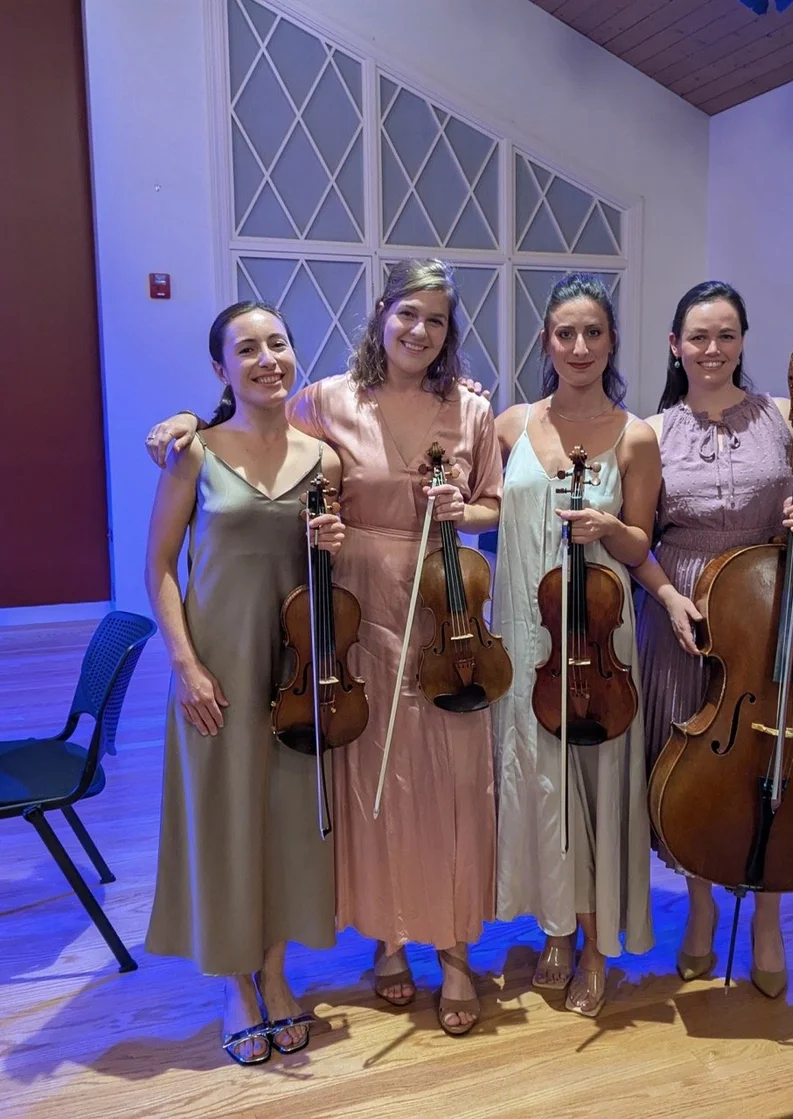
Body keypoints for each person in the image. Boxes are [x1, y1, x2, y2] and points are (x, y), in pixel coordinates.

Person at [145, 259, 502, 1036]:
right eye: (407, 313)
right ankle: (368, 945)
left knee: (434, 783)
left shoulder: (458, 411)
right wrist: (182, 418)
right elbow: (243, 423)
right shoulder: (324, 403)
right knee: (350, 785)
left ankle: (443, 949)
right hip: (326, 622)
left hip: (415, 615)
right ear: (381, 314)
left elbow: (489, 505)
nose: (419, 330)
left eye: (436, 319)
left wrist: (456, 509)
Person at [144, 301, 344, 1065]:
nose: (268, 359)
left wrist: (333, 542)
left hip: (295, 665)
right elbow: (160, 565)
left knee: (289, 818)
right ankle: (234, 982)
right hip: (217, 664)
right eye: (248, 348)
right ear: (221, 368)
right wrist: (185, 665)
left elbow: (323, 573)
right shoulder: (192, 451)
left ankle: (276, 970)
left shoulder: (324, 461)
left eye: (278, 344)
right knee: (225, 817)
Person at [632, 280, 793, 999]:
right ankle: (701, 903)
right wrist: (669, 599)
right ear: (675, 345)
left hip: (770, 602)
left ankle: (768, 918)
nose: (712, 349)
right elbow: (638, 538)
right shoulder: (652, 431)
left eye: (726, 335)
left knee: (769, 759)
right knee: (692, 760)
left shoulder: (785, 416)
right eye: (698, 336)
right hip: (685, 607)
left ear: (743, 340)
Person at [491, 273, 661, 1017]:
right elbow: (484, 508)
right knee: (539, 780)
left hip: (596, 634)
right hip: (528, 632)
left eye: (594, 332)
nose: (580, 346)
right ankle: (555, 928)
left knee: (595, 779)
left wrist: (610, 528)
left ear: (612, 341)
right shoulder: (510, 425)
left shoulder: (637, 435)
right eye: (566, 333)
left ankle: (595, 945)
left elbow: (641, 544)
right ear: (546, 342)